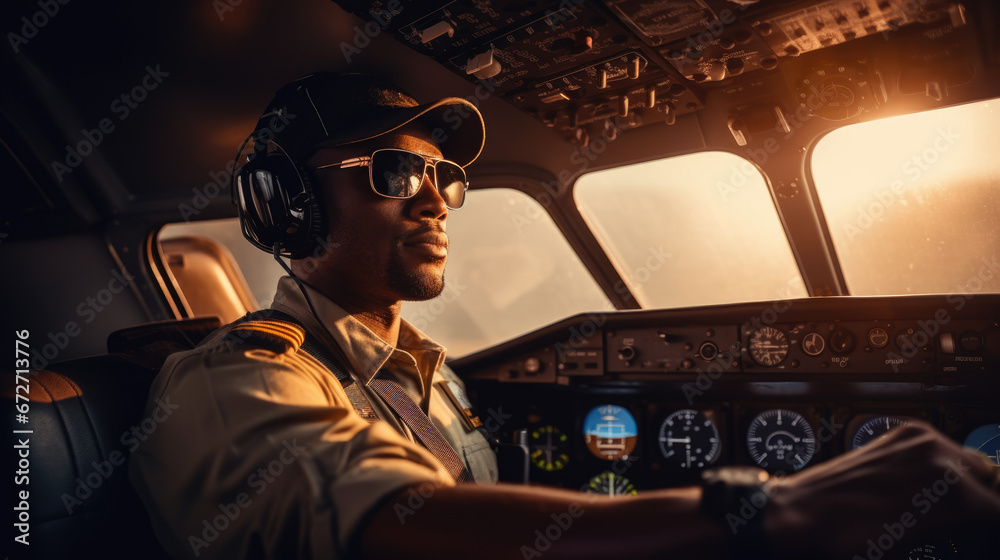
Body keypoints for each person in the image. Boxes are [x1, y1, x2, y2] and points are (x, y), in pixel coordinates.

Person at [129, 72, 1000, 560]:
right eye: (394, 170)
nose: (436, 200)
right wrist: (775, 510)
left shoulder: (425, 373)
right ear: (288, 206)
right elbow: (391, 527)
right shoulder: (234, 379)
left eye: (445, 177)